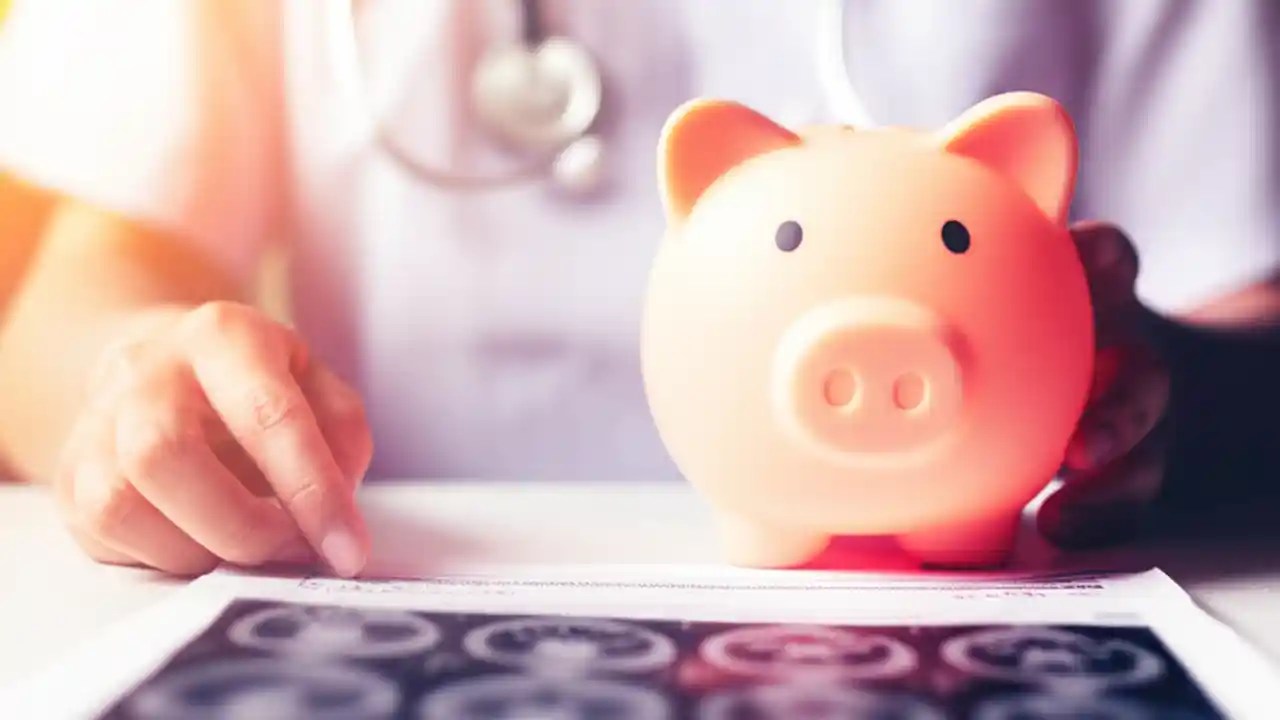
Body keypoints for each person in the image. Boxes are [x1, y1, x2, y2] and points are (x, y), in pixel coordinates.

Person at [0, 1, 1275, 578]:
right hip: (418, 580)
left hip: (998, 594)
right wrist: (138, 381)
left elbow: (1256, 307)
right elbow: (78, 290)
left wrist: (1165, 392)